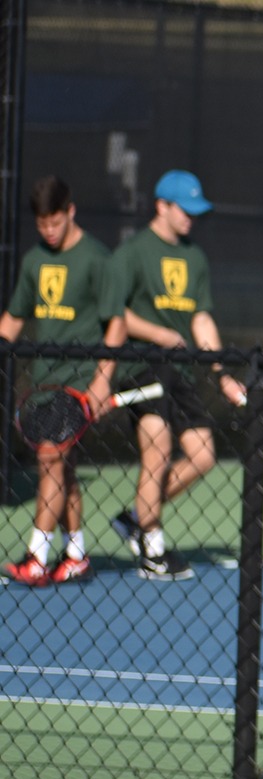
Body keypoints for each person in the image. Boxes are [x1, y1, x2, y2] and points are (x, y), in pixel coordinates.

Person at [103, 168, 245, 581]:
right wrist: (159, 333)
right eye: (185, 210)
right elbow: (117, 313)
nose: (191, 218)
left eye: (196, 211)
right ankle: (153, 548)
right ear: (161, 206)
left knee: (203, 456)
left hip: (180, 372)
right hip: (141, 368)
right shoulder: (131, 253)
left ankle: (135, 518)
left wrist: (220, 373)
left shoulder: (194, 257)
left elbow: (201, 319)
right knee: (158, 449)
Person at [1, 176, 127, 585]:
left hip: (78, 382)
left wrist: (102, 381)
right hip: (43, 381)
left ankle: (36, 559)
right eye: (42, 225)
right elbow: (16, 316)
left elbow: (117, 324)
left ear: (70, 211)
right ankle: (75, 555)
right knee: (63, 467)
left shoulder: (97, 259)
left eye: (55, 222)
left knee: (50, 459)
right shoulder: (35, 261)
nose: (49, 231)